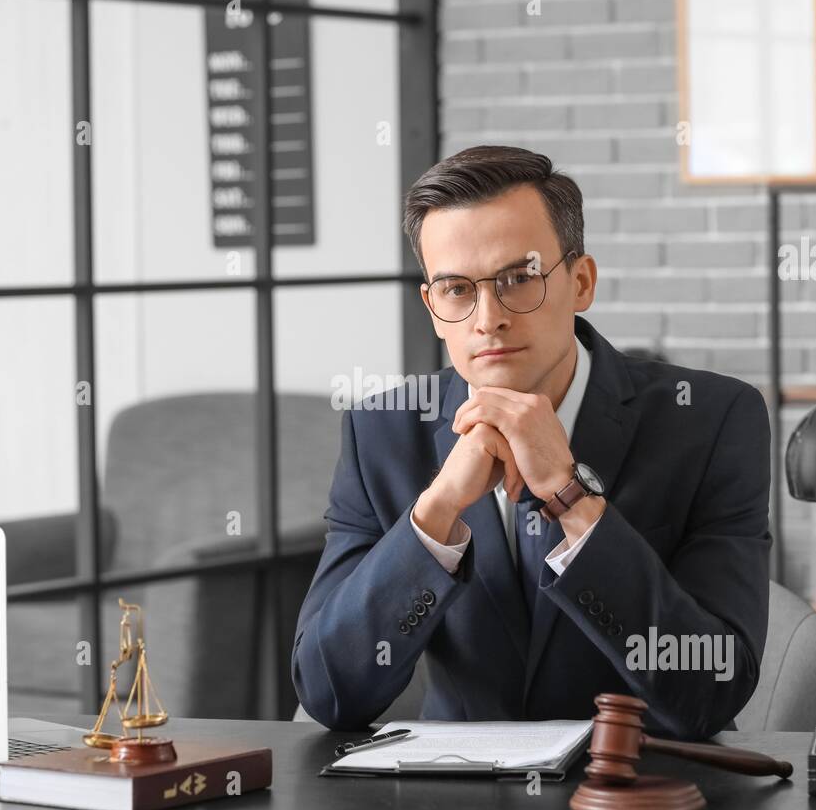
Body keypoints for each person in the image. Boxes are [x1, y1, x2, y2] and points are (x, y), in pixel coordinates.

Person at [291, 145, 771, 739]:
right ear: (433, 308)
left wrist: (572, 497)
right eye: (457, 290)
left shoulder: (714, 421)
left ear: (581, 281)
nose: (487, 317)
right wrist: (436, 510)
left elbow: (712, 692)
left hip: (641, 794)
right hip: (450, 804)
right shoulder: (381, 432)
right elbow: (329, 694)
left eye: (519, 279)